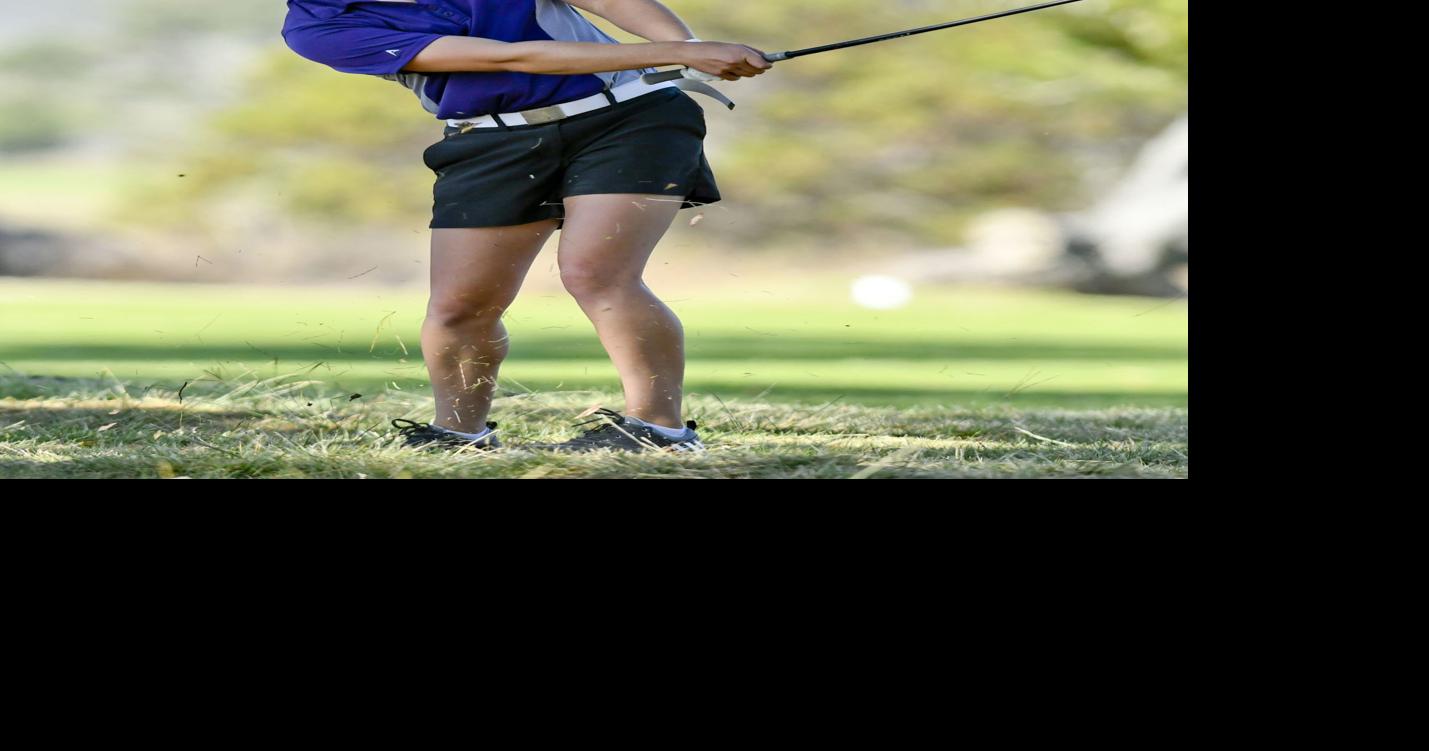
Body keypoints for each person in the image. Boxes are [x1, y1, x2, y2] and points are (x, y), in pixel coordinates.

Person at [282, 0, 771, 452]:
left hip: (630, 118)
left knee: (595, 273)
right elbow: (510, 58)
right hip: (489, 143)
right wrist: (684, 51)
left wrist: (686, 50)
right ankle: (458, 433)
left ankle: (658, 429)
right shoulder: (317, 27)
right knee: (460, 306)